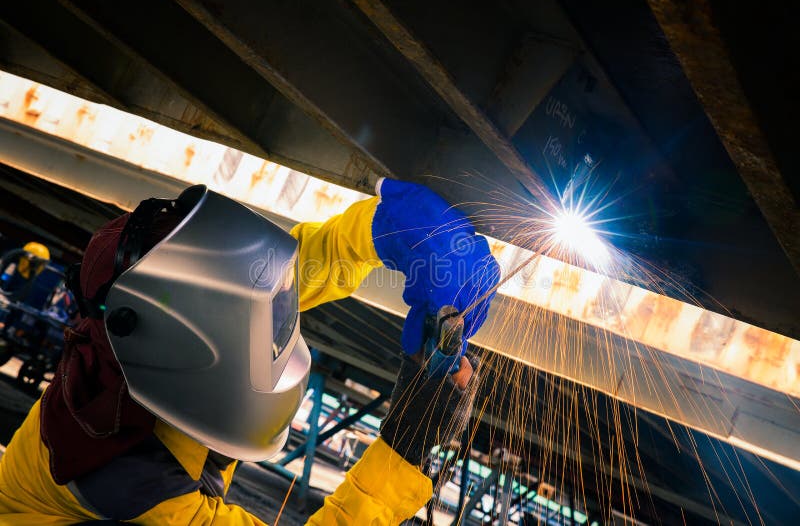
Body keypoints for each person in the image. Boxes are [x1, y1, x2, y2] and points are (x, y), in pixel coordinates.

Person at [0, 179, 500, 525]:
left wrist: (380, 227)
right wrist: (405, 448)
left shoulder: (158, 350)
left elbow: (272, 283)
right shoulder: (128, 479)